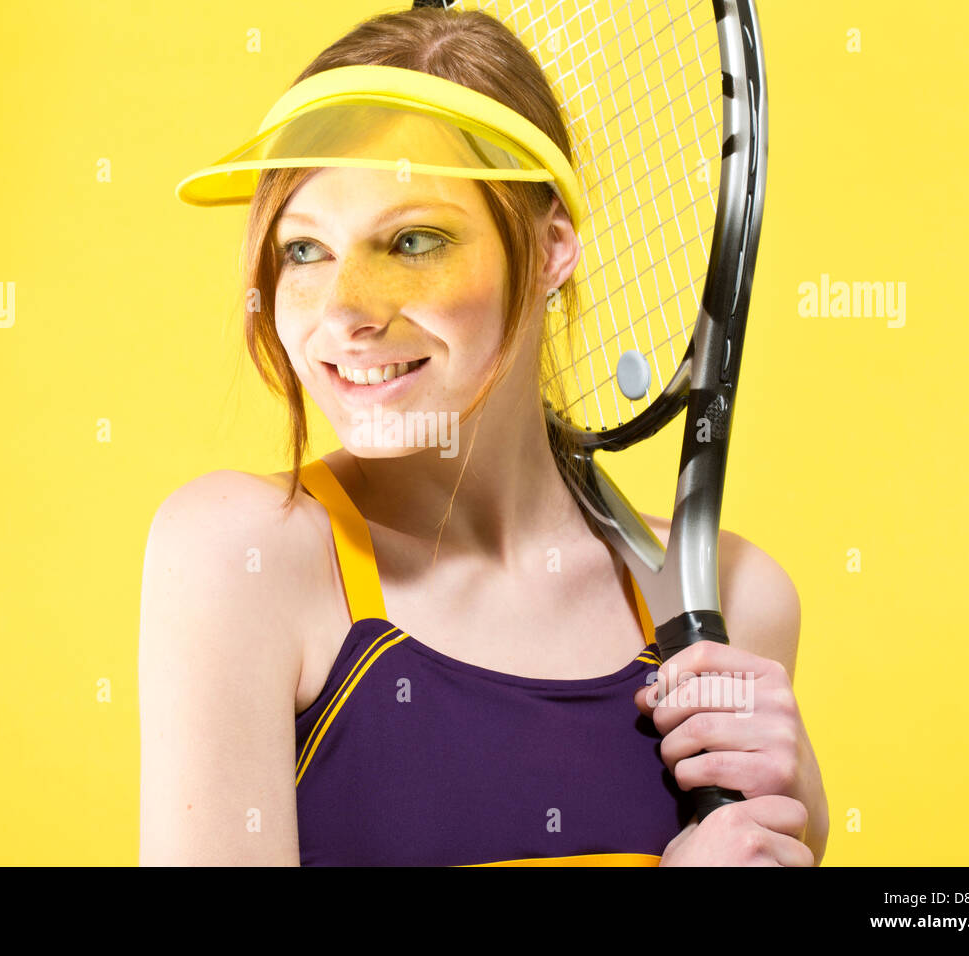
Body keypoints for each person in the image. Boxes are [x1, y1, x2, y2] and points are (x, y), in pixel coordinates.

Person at [140, 5, 826, 866]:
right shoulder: (240, 558)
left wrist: (801, 833)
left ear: (549, 251)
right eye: (306, 251)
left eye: (413, 240)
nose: (345, 310)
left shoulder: (737, 603)